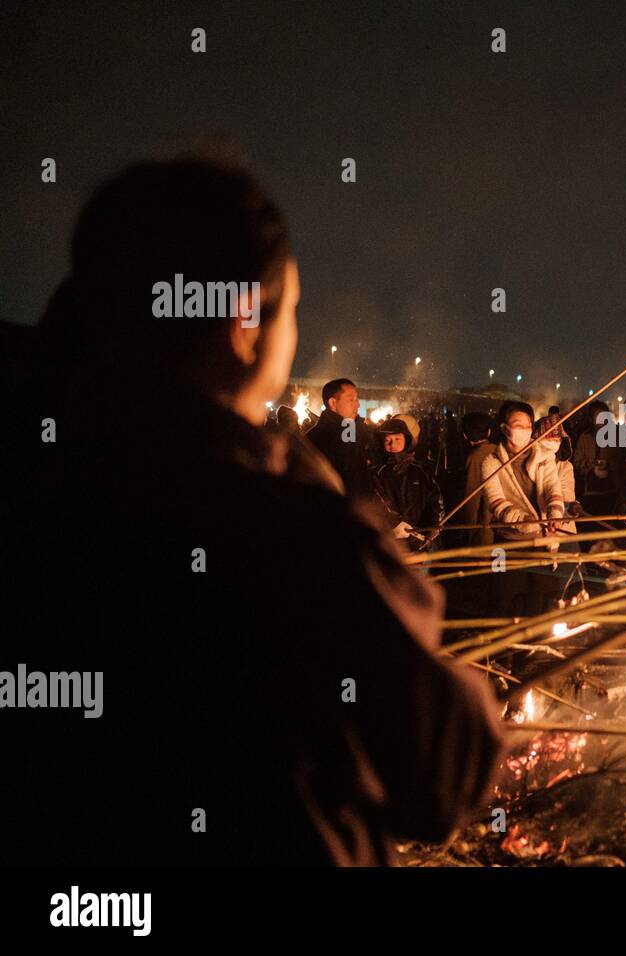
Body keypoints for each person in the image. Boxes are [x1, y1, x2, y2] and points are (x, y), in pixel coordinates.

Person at [1, 157, 502, 866]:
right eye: (290, 307)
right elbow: (438, 770)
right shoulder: (279, 522)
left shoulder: (41, 480)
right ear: (246, 325)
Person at [481, 401, 567, 616]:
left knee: (539, 603)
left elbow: (551, 487)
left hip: (541, 541)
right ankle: (502, 647)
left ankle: (536, 646)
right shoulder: (490, 462)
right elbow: (496, 501)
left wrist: (555, 513)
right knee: (501, 598)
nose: (524, 430)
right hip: (505, 542)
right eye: (518, 424)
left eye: (528, 425)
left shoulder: (544, 456)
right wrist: (521, 519)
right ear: (504, 427)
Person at [374, 416, 444, 551]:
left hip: (420, 540)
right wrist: (394, 524)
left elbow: (435, 500)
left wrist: (432, 526)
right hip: (389, 542)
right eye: (387, 440)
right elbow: (376, 501)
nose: (392, 444)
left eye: (397, 439)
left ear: (407, 440)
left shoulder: (421, 471)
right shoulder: (377, 473)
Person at [306, 378, 380, 502]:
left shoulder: (348, 428)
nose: (357, 404)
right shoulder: (345, 431)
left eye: (357, 399)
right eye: (351, 399)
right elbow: (354, 479)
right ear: (333, 403)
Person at [459, 411, 497, 547]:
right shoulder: (499, 450)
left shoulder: (475, 457)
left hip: (484, 529)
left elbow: (471, 498)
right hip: (502, 523)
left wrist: (468, 529)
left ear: (465, 435)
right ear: (488, 432)